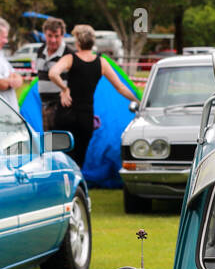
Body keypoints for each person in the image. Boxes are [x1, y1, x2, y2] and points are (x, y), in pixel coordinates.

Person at [49, 24, 138, 168]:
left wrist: (64, 89)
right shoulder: (101, 62)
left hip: (65, 112)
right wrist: (138, 100)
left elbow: (53, 73)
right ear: (93, 42)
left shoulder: (70, 58)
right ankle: (77, 185)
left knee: (61, 155)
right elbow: (120, 87)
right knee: (80, 156)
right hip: (86, 116)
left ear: (77, 42)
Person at [33, 17, 68, 130]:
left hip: (62, 107)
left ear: (62, 35)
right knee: (48, 142)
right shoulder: (40, 50)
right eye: (49, 36)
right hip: (44, 105)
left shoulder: (69, 53)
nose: (53, 40)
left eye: (56, 36)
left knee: (61, 141)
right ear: (44, 35)